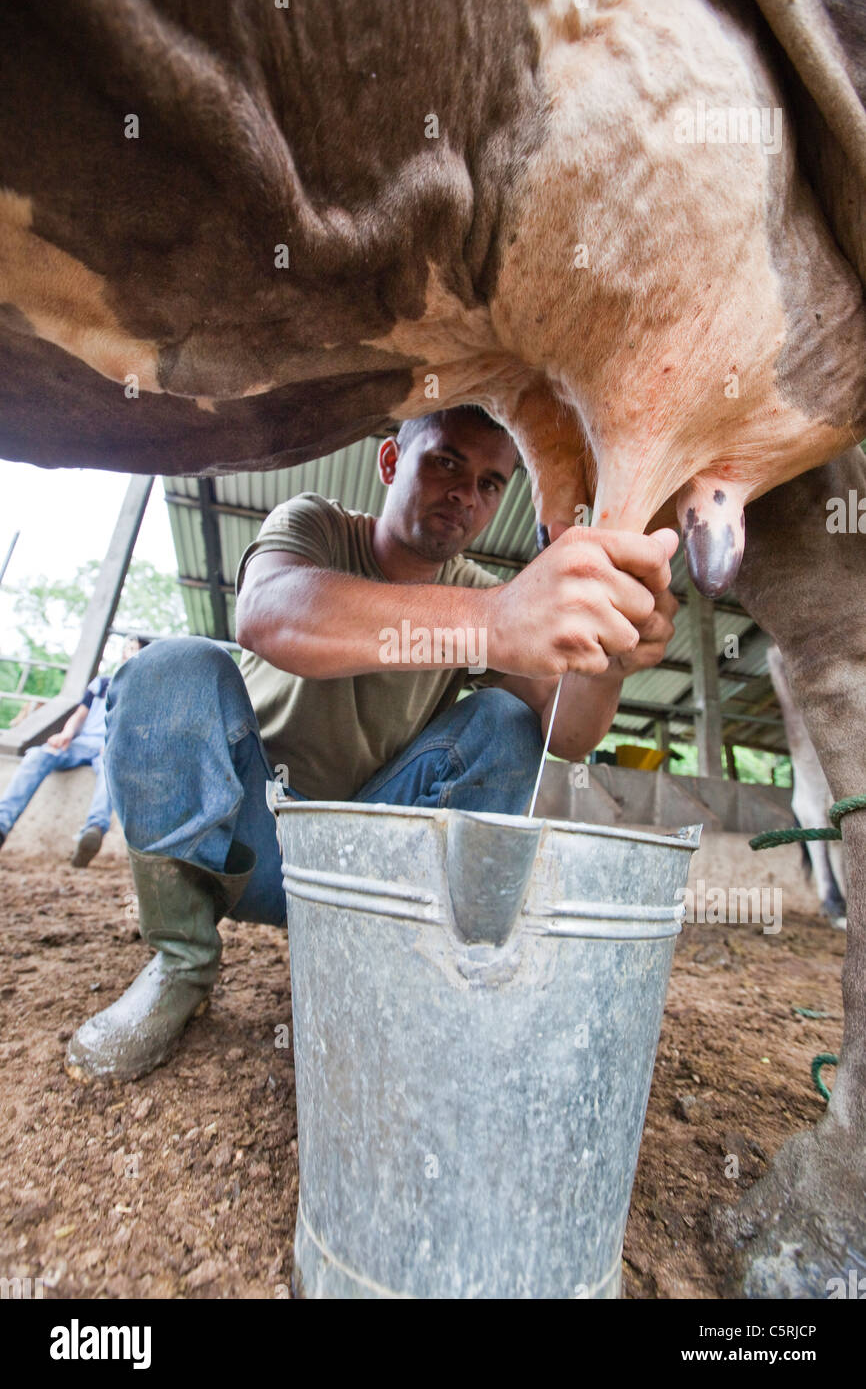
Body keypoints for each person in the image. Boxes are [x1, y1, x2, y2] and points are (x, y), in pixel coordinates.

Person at [65, 406, 679, 1083]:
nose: (465, 495)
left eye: (490, 483)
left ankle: (422, 976)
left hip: (366, 867)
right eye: (446, 462)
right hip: (244, 838)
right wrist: (494, 621)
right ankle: (180, 965)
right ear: (391, 463)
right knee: (168, 670)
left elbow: (564, 731)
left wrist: (613, 650)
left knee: (507, 723)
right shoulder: (317, 527)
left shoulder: (484, 592)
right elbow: (269, 615)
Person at [0, 635, 149, 865]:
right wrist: (66, 734)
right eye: (127, 648)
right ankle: (2, 823)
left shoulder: (144, 692)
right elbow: (80, 715)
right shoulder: (101, 684)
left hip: (110, 749)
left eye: (135, 649)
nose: (129, 652)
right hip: (80, 744)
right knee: (38, 755)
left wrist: (116, 746)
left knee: (110, 770)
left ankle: (93, 830)